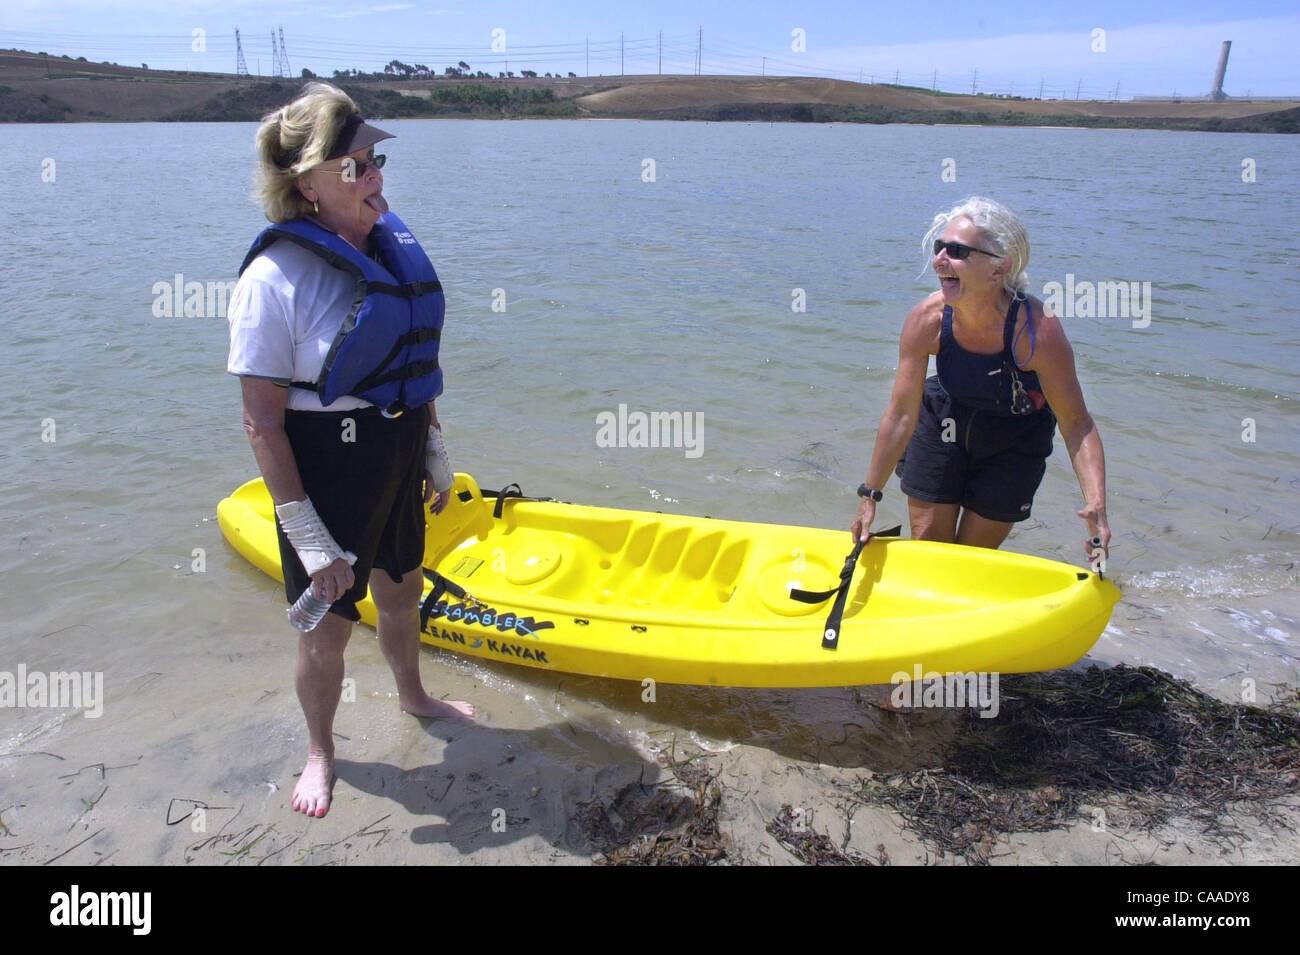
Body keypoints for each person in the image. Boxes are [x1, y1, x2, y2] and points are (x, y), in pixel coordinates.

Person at [227, 82, 474, 819]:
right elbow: (262, 423)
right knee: (326, 631)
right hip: (326, 467)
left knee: (401, 589)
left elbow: (414, 358)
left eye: (376, 162)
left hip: (397, 446)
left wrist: (432, 449)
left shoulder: (391, 252)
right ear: (307, 182)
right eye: (358, 166)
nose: (377, 179)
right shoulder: (273, 281)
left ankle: (412, 694)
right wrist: (306, 535)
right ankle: (321, 750)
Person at [851, 196, 1110, 559]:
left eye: (957, 251)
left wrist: (1096, 503)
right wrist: (870, 495)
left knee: (973, 558)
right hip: (945, 420)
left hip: (1015, 436)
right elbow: (900, 414)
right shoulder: (926, 320)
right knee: (930, 548)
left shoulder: (1037, 331)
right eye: (940, 247)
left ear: (999, 269)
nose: (940, 259)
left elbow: (1076, 423)